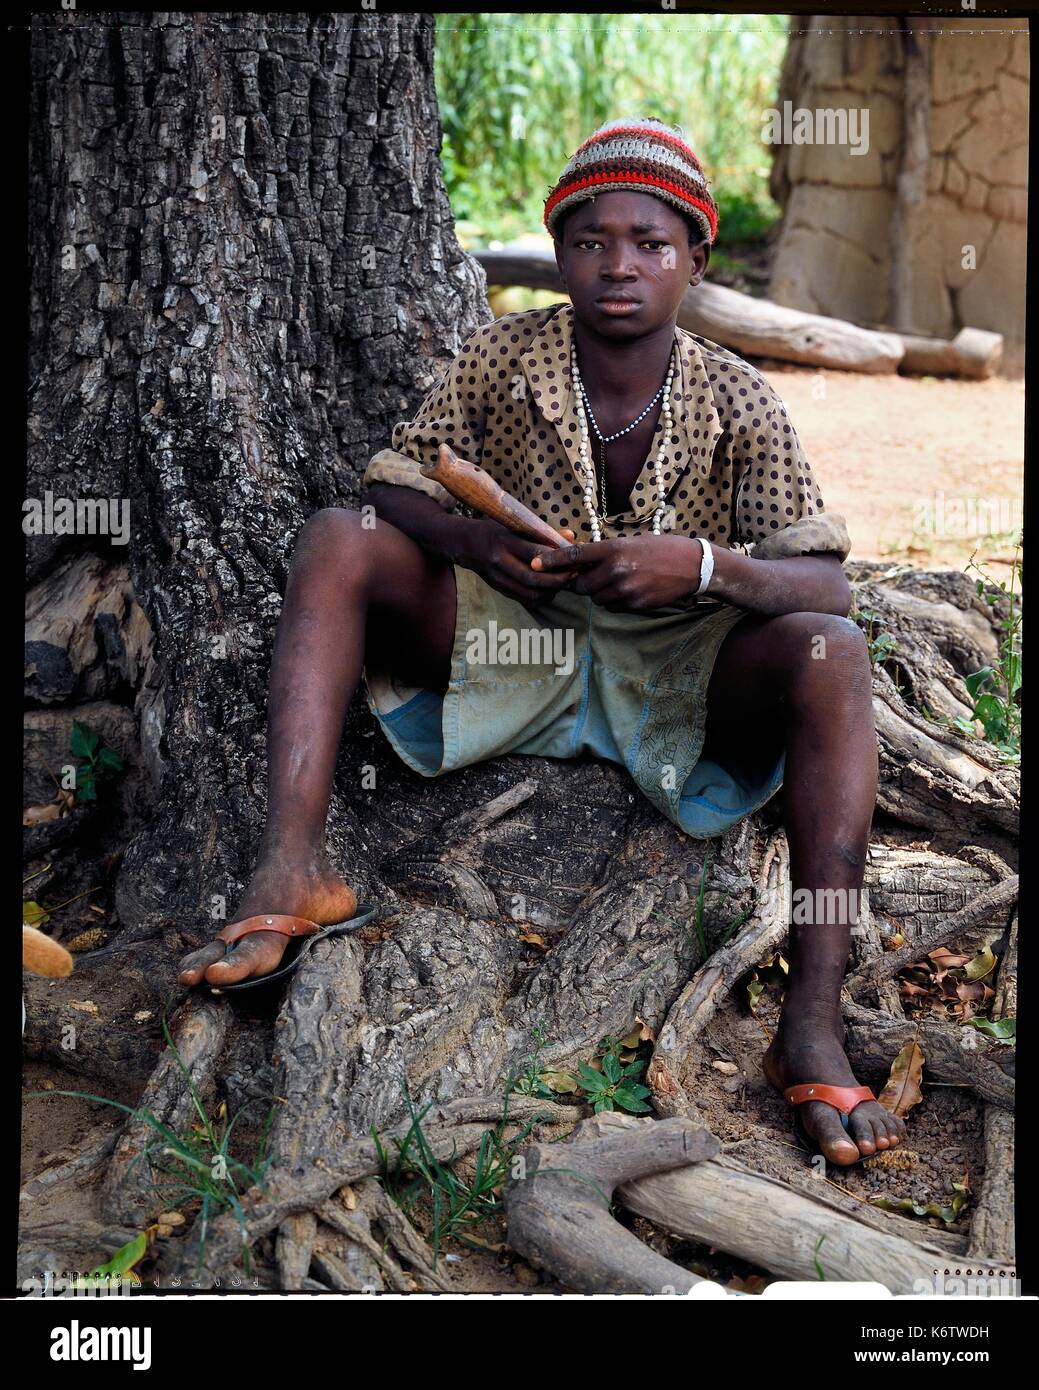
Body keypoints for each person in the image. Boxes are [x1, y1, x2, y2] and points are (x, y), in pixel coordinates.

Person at [178, 117, 905, 1167]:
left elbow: (824, 578)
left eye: (651, 244)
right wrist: (474, 538)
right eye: (591, 241)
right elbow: (397, 477)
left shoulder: (737, 395)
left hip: (679, 675)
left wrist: (698, 567)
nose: (619, 266)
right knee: (341, 537)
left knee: (834, 651)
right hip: (516, 647)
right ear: (558, 253)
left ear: (696, 260)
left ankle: (814, 1012)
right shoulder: (503, 354)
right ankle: (291, 867)